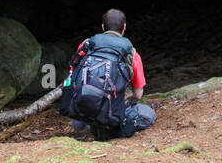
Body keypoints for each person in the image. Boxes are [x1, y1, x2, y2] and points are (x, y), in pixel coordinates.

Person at [65, 8, 156, 140]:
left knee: (82, 110)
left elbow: (74, 75)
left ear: (102, 27)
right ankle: (111, 127)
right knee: (149, 114)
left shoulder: (86, 45)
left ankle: (83, 127)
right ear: (124, 27)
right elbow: (138, 94)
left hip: (83, 108)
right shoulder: (132, 54)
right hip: (112, 112)